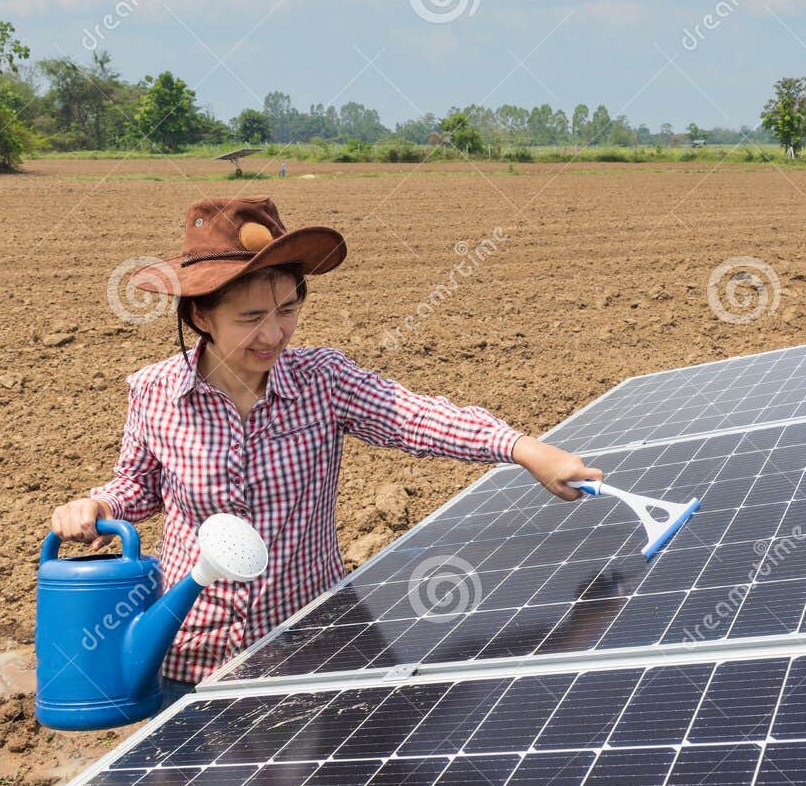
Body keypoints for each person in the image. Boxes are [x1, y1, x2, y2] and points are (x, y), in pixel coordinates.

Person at [50, 195, 599, 707]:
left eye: (288, 309)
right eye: (249, 318)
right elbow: (137, 486)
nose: (274, 334)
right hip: (193, 654)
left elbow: (417, 417)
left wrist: (524, 449)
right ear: (200, 316)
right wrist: (97, 508)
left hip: (312, 643)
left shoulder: (324, 381)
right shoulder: (155, 391)